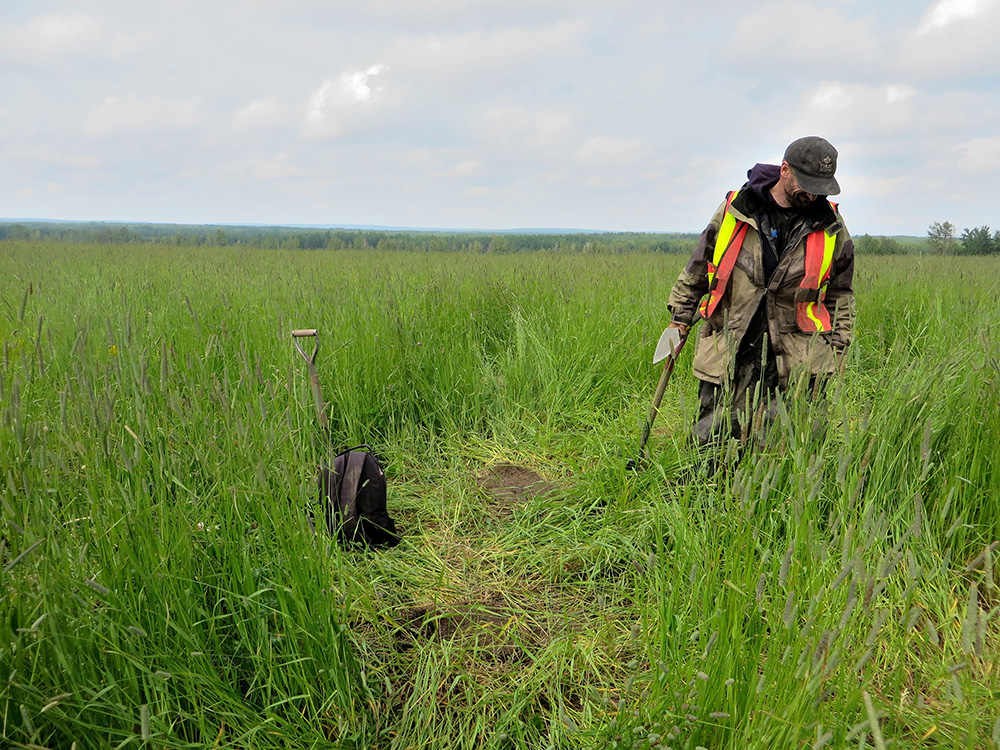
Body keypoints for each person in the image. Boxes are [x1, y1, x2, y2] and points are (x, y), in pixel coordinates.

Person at [666, 136, 855, 450]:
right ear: (785, 170)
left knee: (786, 445)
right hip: (731, 340)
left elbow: (840, 290)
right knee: (712, 437)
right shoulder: (737, 209)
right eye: (807, 184)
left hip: (798, 351)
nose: (812, 194)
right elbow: (699, 266)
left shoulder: (830, 224)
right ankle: (705, 481)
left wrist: (839, 344)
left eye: (820, 187)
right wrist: (680, 318)